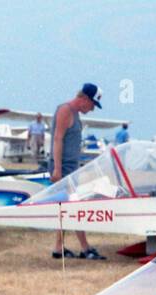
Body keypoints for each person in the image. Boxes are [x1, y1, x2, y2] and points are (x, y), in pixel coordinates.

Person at [50, 83, 105, 259]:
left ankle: (59, 248)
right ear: (85, 99)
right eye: (92, 105)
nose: (92, 110)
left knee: (66, 208)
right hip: (64, 169)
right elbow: (58, 139)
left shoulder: (76, 114)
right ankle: (85, 248)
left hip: (71, 168)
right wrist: (57, 169)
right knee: (74, 206)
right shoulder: (65, 110)